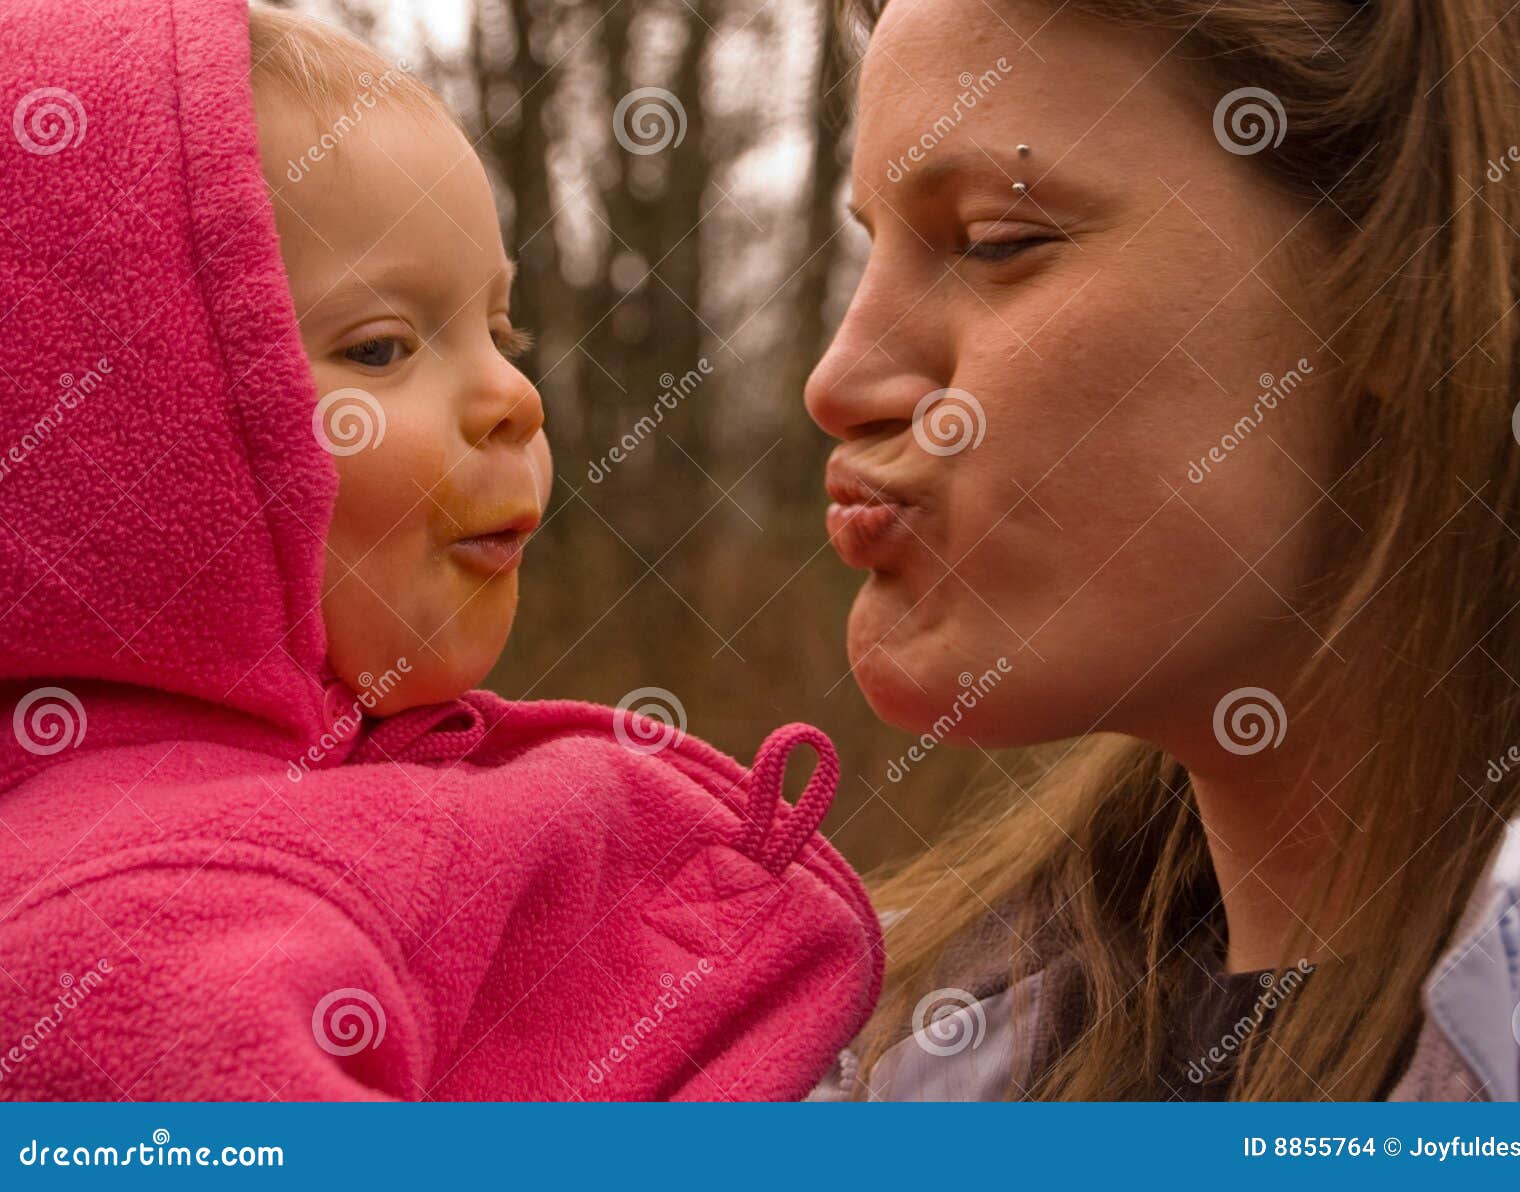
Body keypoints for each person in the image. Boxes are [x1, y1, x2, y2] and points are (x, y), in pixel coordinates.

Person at [0, 0, 881, 1101]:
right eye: (382, 345)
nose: (514, 395)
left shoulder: (336, 796)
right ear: (108, 442)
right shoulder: (142, 926)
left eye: (500, 331)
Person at [807, 0, 1520, 1100]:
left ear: (1401, 282)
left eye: (997, 241)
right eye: (872, 243)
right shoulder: (837, 1046)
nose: (840, 382)